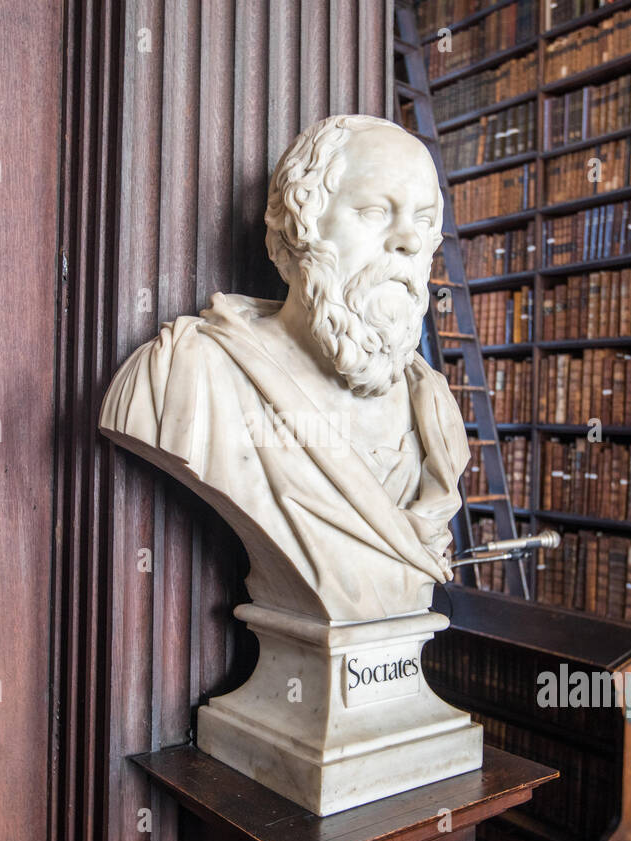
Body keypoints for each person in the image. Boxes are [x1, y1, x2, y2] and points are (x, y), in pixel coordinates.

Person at [99, 114, 469, 623]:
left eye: (425, 221)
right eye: (376, 211)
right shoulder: (188, 377)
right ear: (297, 234)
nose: (408, 241)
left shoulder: (435, 408)